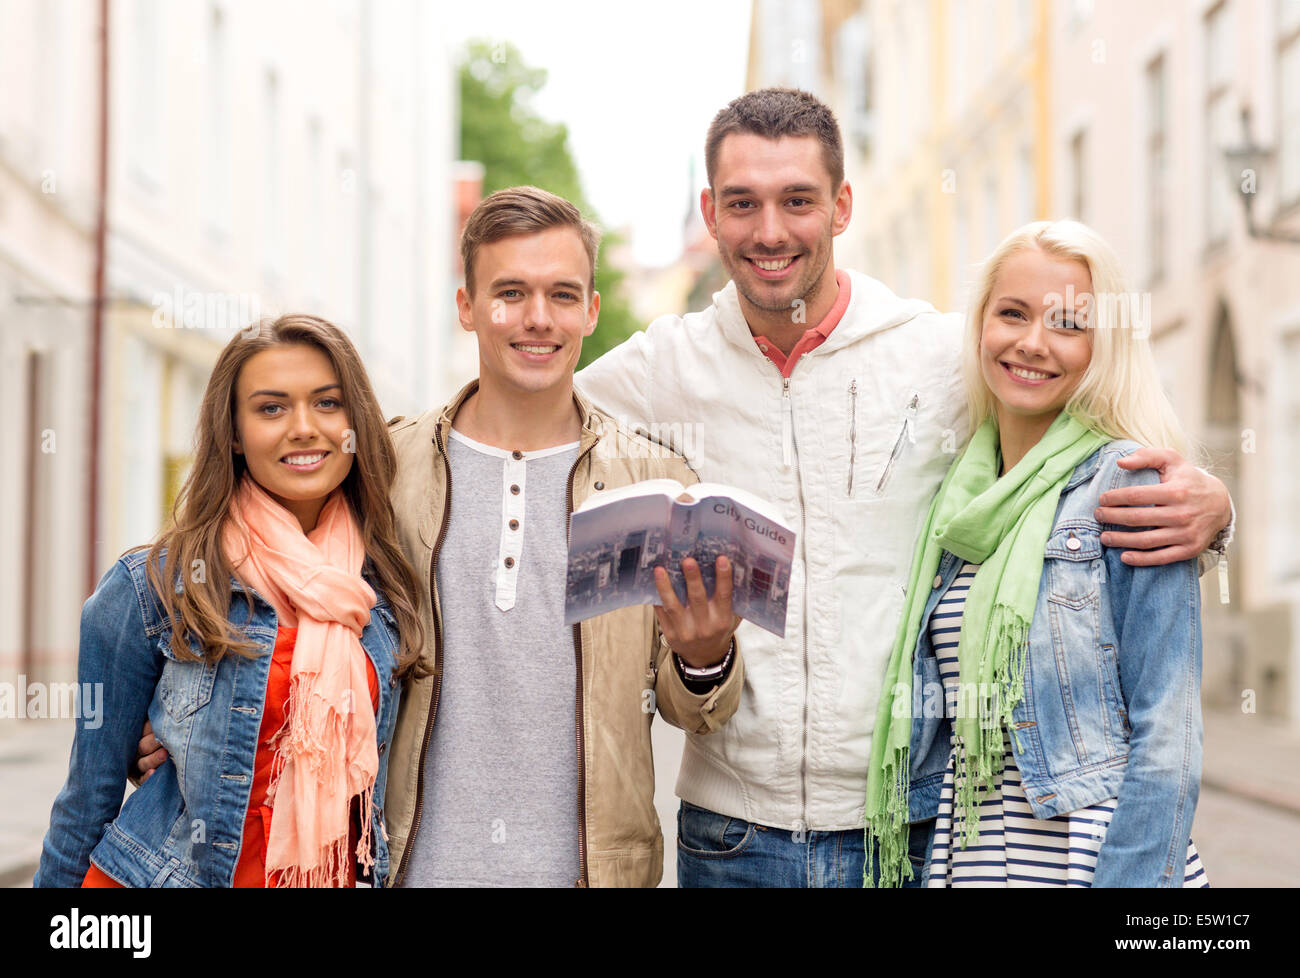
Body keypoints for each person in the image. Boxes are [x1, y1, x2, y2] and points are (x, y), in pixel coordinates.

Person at [574, 88, 1232, 887]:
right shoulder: (661, 368)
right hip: (730, 835)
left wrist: (1214, 505)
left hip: (906, 832)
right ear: (711, 212)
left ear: (842, 206)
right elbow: (530, 420)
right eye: (743, 203)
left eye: (798, 201)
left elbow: (1075, 426)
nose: (771, 230)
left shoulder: (941, 354)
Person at [379, 186, 743, 887]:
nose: (538, 319)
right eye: (510, 293)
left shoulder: (654, 483)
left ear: (591, 311)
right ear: (467, 306)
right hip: (408, 872)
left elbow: (695, 711)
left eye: (563, 295)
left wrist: (704, 657)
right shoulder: (390, 469)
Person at [865, 220, 1208, 887]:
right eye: (1012, 314)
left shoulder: (1131, 486)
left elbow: (1169, 736)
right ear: (981, 326)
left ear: (1102, 346)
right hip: (970, 863)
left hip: (1094, 864)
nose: (1032, 343)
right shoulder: (955, 500)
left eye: (1067, 324)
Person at [36, 315, 424, 888]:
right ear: (235, 434)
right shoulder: (154, 587)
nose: (303, 428)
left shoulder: (384, 589)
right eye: (271, 408)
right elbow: (86, 798)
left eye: (327, 404)